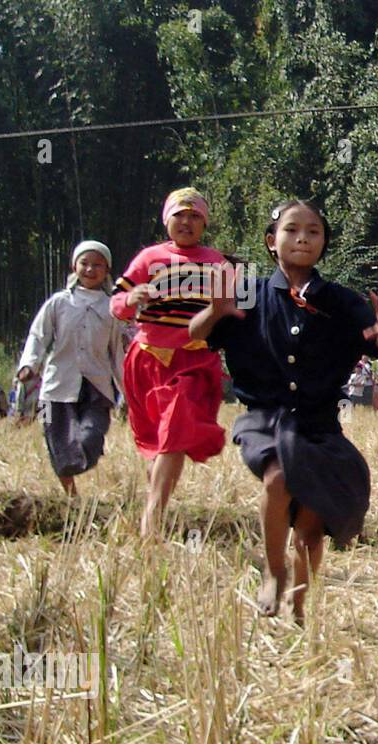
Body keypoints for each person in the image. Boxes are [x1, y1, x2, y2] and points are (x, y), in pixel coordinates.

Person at [189, 199, 378, 622]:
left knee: (309, 519)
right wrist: (214, 310)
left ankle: (300, 602)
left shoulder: (341, 301)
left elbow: (376, 342)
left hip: (318, 422)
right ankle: (272, 571)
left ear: (323, 243)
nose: (302, 237)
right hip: (263, 418)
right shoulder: (245, 292)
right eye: (291, 230)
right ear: (272, 241)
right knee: (278, 478)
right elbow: (196, 336)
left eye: (313, 231)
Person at [110, 187, 229, 538]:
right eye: (180, 215)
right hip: (147, 360)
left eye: (195, 216)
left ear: (204, 223)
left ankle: (152, 519)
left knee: (174, 434)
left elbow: (238, 307)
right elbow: (117, 304)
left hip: (192, 362)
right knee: (156, 440)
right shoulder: (149, 259)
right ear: (167, 220)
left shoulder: (216, 262)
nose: (187, 222)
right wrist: (133, 297)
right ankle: (157, 500)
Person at [17, 240, 126, 495]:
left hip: (96, 387)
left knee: (91, 437)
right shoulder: (58, 303)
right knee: (58, 442)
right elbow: (38, 335)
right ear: (74, 266)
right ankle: (71, 496)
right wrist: (29, 365)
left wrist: (127, 392)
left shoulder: (112, 309)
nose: (90, 269)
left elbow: (117, 354)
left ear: (107, 269)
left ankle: (79, 466)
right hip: (56, 387)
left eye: (97, 265)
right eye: (84, 263)